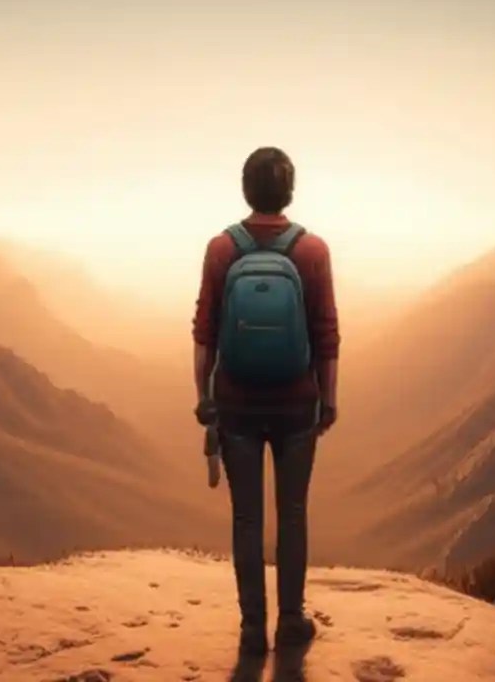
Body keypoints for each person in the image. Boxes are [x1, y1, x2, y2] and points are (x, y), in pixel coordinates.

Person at [192, 146, 340, 656]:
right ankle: (291, 620)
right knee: (293, 512)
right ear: (290, 190)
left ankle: (252, 628)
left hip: (235, 405)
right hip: (298, 404)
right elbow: (327, 333)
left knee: (246, 519)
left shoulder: (220, 249)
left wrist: (204, 399)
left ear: (245, 189)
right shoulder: (313, 250)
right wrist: (329, 398)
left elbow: (204, 333)